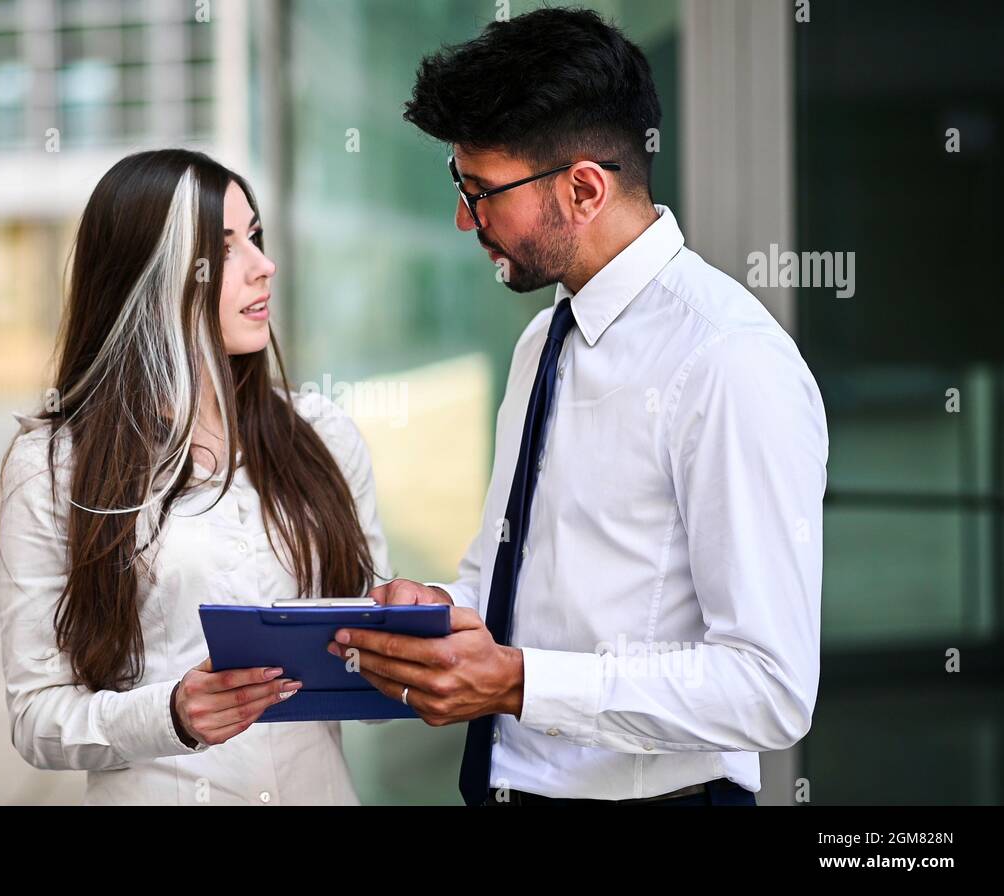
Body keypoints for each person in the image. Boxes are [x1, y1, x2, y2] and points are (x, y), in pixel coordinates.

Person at [331, 7, 828, 806]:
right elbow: (520, 591)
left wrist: (520, 684)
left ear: (585, 189)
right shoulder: (541, 343)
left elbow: (770, 687)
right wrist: (442, 614)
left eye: (481, 190)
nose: (465, 217)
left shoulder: (730, 362)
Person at [0, 148, 390, 805]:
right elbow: (38, 716)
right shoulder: (52, 468)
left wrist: (410, 643)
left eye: (255, 238)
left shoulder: (322, 434)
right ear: (151, 275)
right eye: (226, 247)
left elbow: (366, 666)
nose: (264, 267)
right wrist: (171, 715)